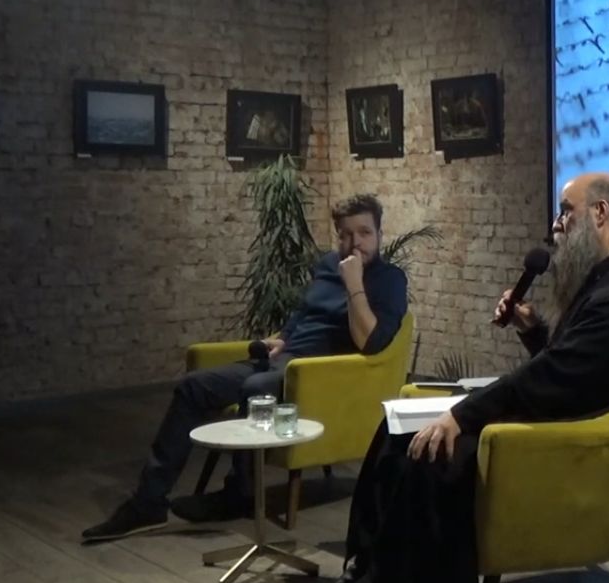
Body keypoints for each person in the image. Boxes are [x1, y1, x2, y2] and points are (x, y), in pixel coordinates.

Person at [287, 172, 609, 583]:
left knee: (430, 453)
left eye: (566, 211)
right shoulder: (607, 283)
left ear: (601, 213)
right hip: (555, 422)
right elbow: (573, 368)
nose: (556, 224)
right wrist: (532, 330)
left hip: (560, 449)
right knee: (395, 430)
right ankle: (361, 577)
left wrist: (463, 416)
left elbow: (551, 377)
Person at [82, 194, 409, 542]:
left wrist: (354, 283)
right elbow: (305, 312)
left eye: (364, 233)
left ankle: (239, 492)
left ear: (379, 234)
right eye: (346, 234)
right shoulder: (328, 265)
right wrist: (282, 337)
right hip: (282, 358)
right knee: (193, 386)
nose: (355, 243)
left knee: (257, 388)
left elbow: (370, 342)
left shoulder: (389, 280)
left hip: (317, 374)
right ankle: (147, 503)